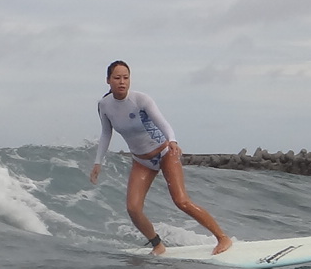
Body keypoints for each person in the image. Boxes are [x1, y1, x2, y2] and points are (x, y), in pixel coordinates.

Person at [89, 60, 232, 255]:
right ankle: (157, 244)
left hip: (165, 153)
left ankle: (223, 238)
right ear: (108, 80)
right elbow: (106, 133)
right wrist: (98, 162)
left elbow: (163, 122)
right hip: (141, 161)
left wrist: (172, 140)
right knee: (133, 208)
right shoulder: (104, 105)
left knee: (181, 201)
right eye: (117, 78)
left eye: (126, 77)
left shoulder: (141, 100)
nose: (122, 82)